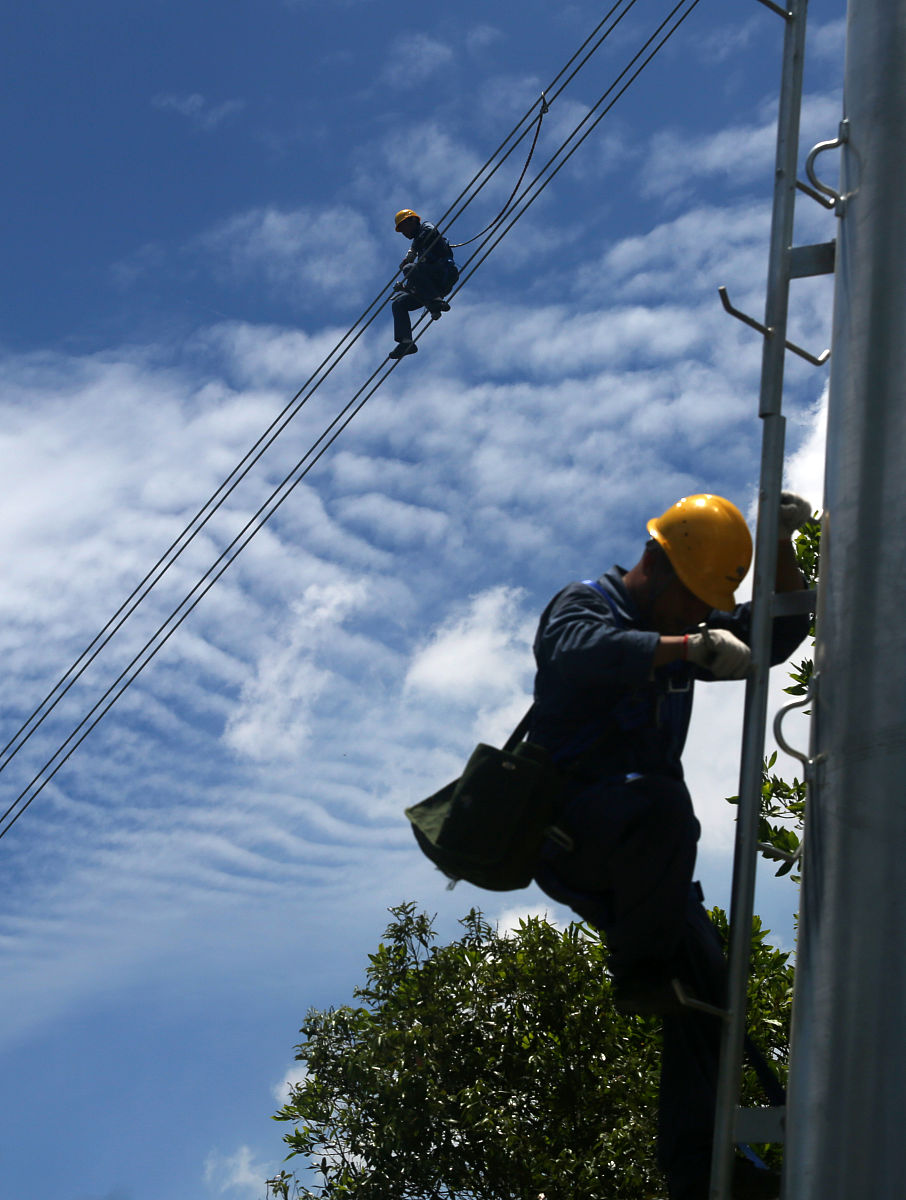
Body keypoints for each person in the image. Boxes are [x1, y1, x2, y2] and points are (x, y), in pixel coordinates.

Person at [528, 492, 813, 1200]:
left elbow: (774, 634)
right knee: (662, 807)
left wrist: (778, 545)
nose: (696, 618)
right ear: (655, 564)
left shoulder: (677, 622)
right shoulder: (586, 606)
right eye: (690, 601)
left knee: (706, 990)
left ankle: (698, 1171)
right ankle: (640, 968)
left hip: (643, 852)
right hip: (575, 834)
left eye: (703, 610)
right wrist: (685, 650)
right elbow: (577, 651)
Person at [388, 208, 459, 360]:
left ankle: (435, 301)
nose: (403, 233)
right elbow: (418, 283)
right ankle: (406, 342)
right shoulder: (420, 249)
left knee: (409, 268)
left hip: (443, 273)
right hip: (432, 285)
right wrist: (405, 289)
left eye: (403, 228)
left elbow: (429, 232)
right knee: (399, 304)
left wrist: (412, 251)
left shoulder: (426, 227)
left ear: (412, 221)